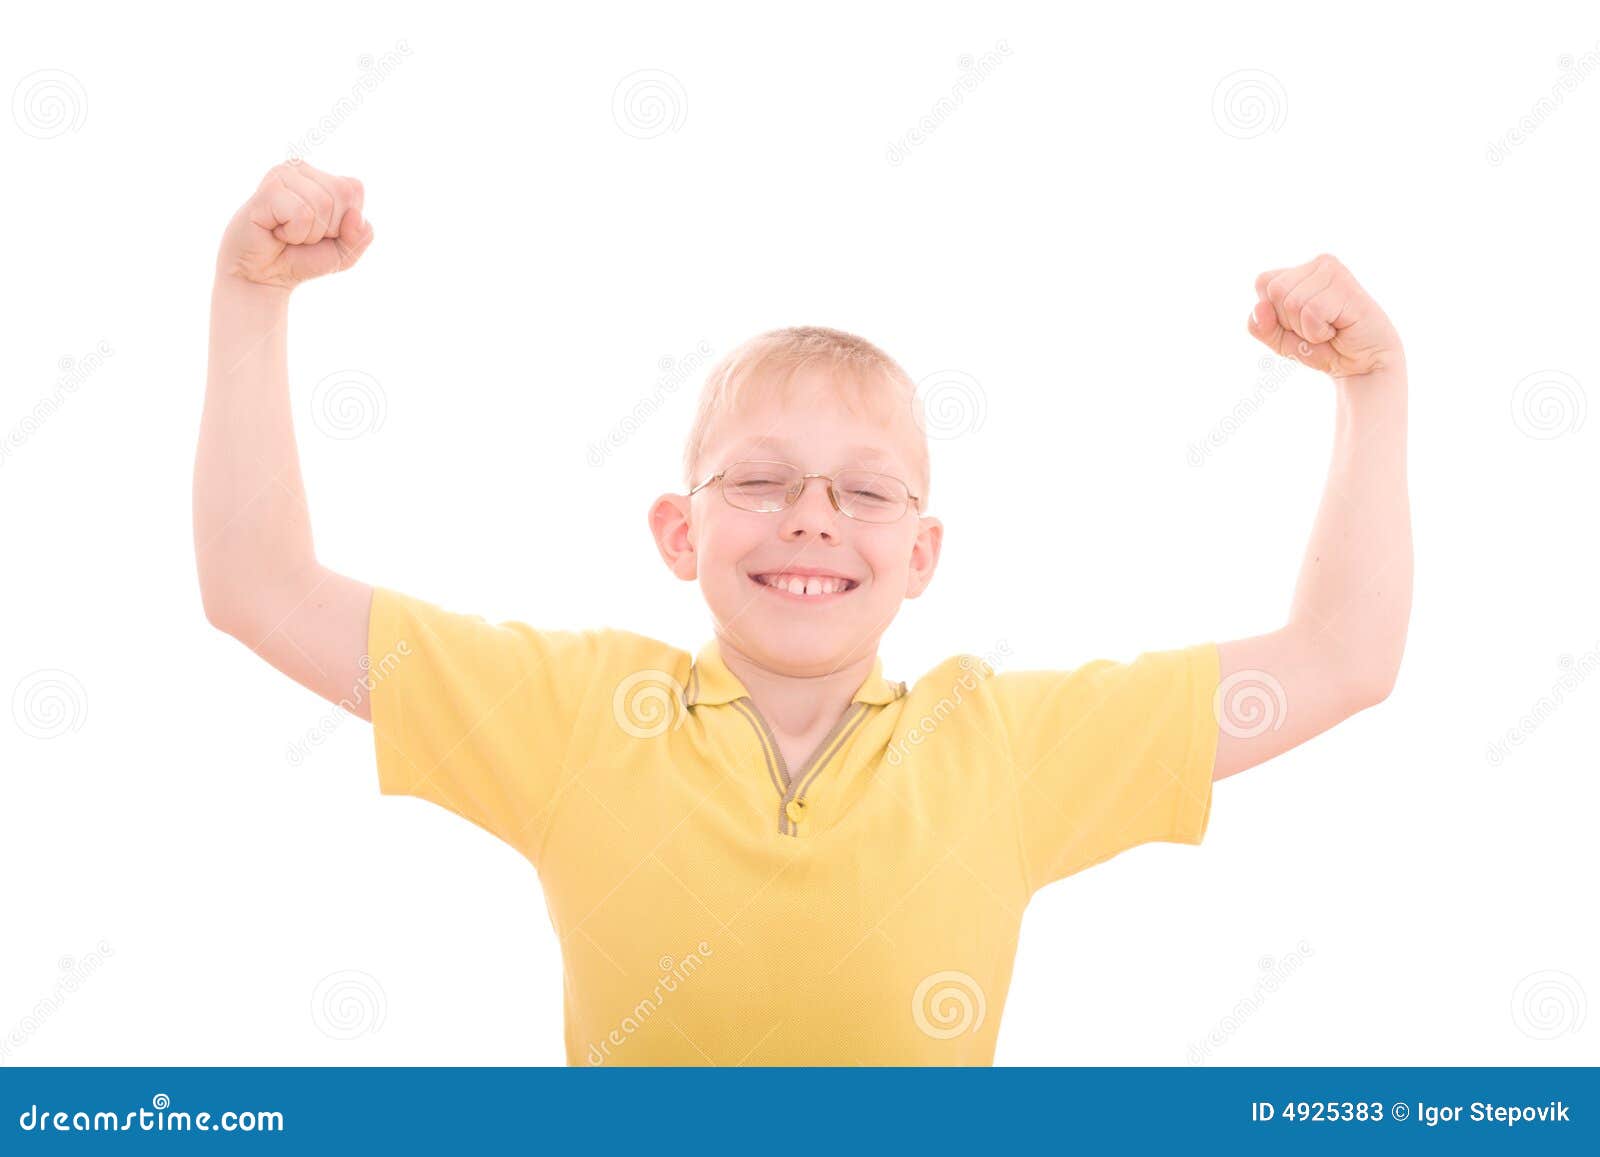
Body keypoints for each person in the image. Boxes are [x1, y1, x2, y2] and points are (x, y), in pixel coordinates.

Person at [194, 159, 1412, 1065]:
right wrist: (250, 298)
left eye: (865, 491)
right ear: (679, 532)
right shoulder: (575, 715)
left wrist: (1374, 387)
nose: (814, 519)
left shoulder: (1002, 746)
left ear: (921, 553)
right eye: (762, 481)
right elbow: (262, 588)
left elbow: (1341, 658)